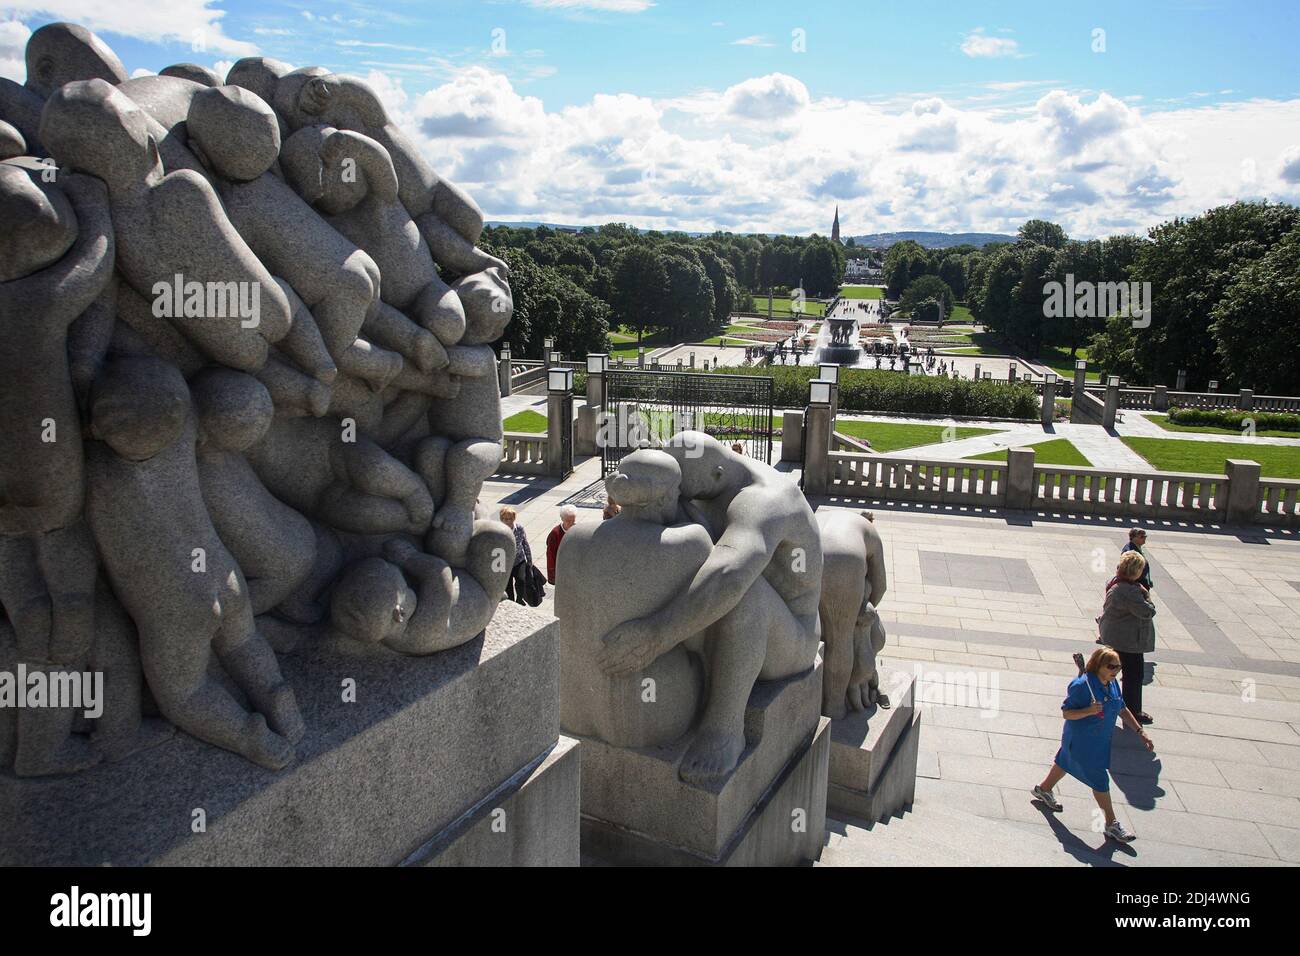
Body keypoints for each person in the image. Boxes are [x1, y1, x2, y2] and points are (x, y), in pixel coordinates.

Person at [1031, 646, 1154, 843]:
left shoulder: (1112, 684)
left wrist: (1141, 732)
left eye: (1119, 667)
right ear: (1099, 665)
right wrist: (1089, 710)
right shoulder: (1082, 686)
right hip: (1082, 741)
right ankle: (1111, 824)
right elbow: (1067, 713)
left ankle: (1043, 789)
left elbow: (1121, 708)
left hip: (1098, 741)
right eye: (1112, 666)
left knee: (1064, 761)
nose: (1116, 671)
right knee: (1100, 781)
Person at [1099, 550, 1157, 725]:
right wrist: (1147, 596)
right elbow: (1148, 611)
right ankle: (1132, 711)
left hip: (1115, 635)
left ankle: (1106, 704)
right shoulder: (1130, 592)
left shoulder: (1116, 582)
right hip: (1127, 640)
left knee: (1109, 672)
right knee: (1133, 675)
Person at [499, 505, 532, 604]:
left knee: (521, 580)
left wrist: (529, 559)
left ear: (513, 519)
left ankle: (519, 599)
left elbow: (525, 543)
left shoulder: (519, 528)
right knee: (508, 585)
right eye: (504, 519)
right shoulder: (499, 530)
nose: (507, 521)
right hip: (505, 562)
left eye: (509, 519)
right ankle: (511, 602)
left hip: (519, 560)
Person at [546, 504, 576, 585]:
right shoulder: (555, 533)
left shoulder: (577, 530)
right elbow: (550, 554)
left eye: (573, 520)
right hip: (561, 568)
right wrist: (552, 572)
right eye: (568, 521)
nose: (571, 523)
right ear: (562, 518)